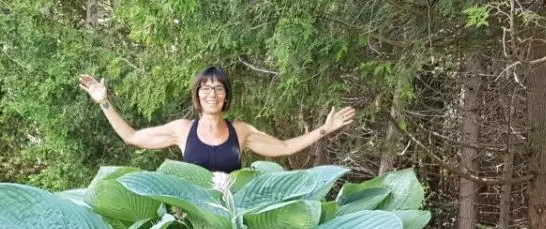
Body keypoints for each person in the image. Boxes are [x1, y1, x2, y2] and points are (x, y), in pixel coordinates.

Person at [79, 66, 355, 173]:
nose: (212, 93)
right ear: (197, 95)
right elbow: (132, 137)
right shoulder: (182, 130)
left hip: (231, 216)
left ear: (226, 96)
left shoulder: (241, 131)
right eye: (205, 88)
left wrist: (324, 130)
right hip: (191, 216)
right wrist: (104, 102)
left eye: (219, 88)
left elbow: (283, 147)